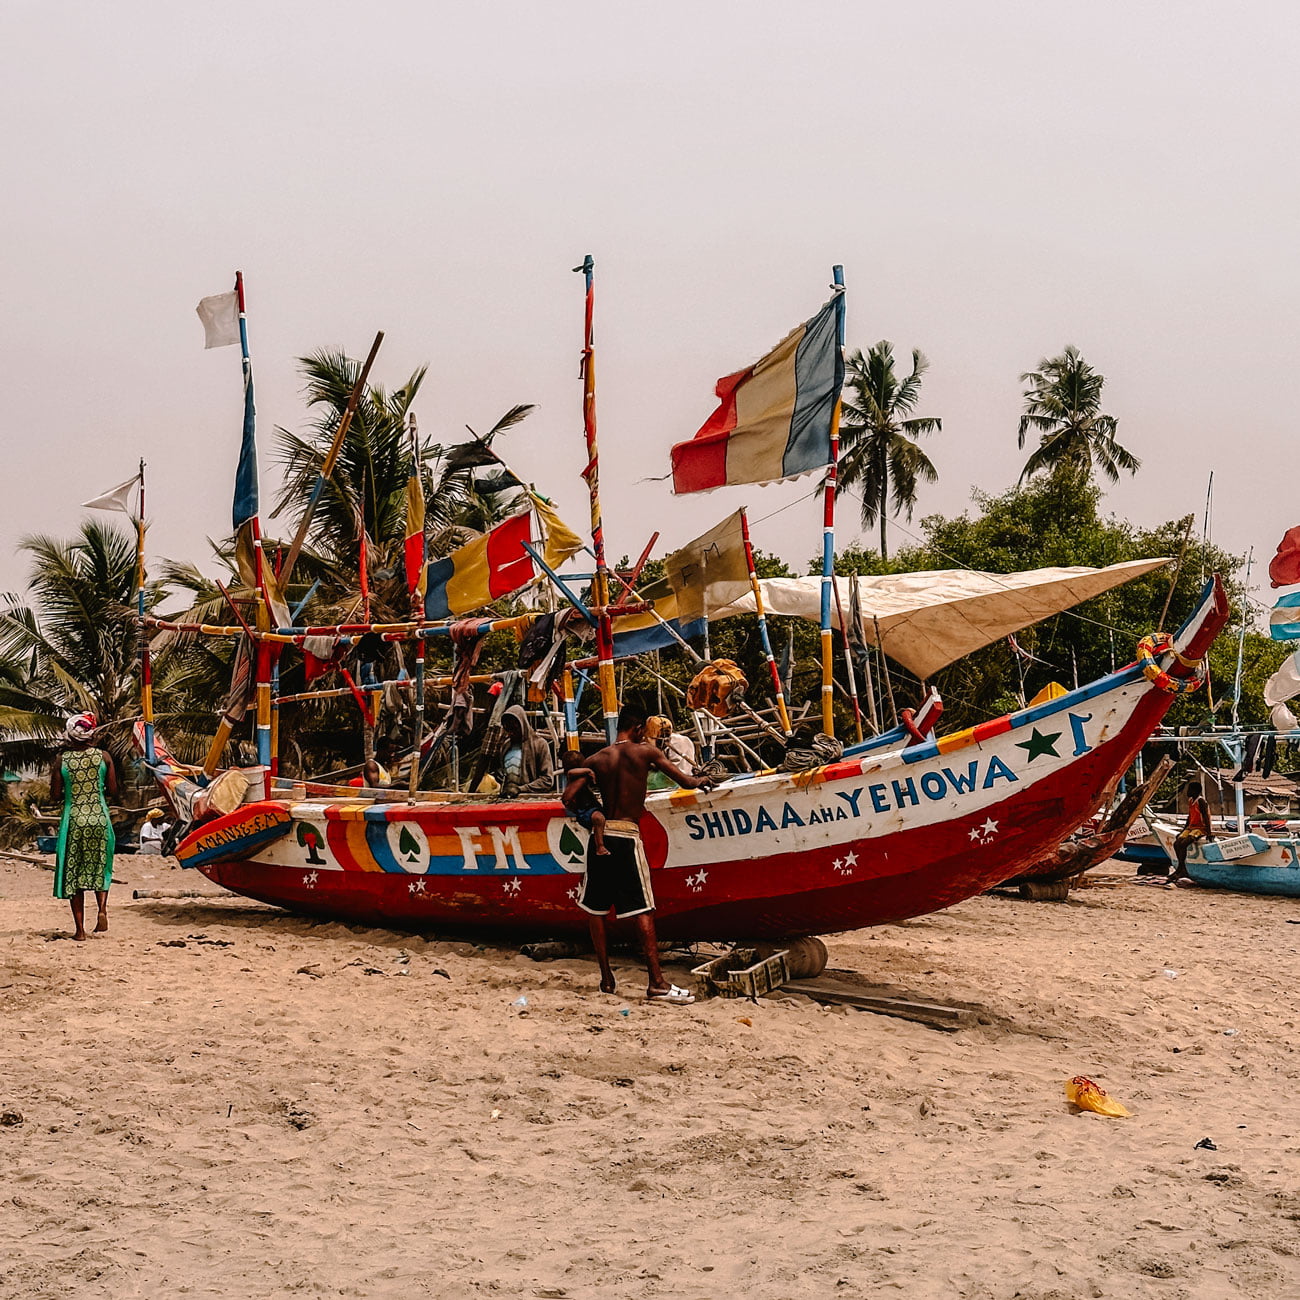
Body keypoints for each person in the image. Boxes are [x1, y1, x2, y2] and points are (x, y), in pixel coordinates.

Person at [575, 702, 716, 1003]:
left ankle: (606, 979)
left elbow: (571, 794)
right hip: (626, 835)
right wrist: (705, 780)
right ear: (639, 728)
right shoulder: (647, 753)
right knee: (643, 910)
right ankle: (657, 982)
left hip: (600, 835)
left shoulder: (596, 759)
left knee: (597, 910)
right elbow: (687, 781)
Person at [49, 712, 118, 941]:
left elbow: (55, 795)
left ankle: (80, 931)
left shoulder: (62, 760)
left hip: (74, 819)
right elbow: (114, 791)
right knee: (101, 864)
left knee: (74, 873)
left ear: (70, 736)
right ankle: (102, 909)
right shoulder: (104, 757)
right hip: (99, 817)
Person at [499, 704, 554, 798]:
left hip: (531, 800)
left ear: (522, 724)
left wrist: (522, 789)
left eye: (514, 729)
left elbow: (547, 780)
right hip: (507, 799)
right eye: (507, 729)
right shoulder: (506, 746)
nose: (511, 733)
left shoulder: (539, 744)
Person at [561, 751, 608, 855]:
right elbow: (571, 772)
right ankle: (600, 846)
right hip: (585, 810)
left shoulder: (582, 779)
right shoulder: (574, 778)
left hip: (590, 807)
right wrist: (588, 770)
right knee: (598, 818)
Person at [1170, 780, 1215, 885]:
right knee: (1177, 843)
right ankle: (1182, 869)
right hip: (1191, 827)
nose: (1187, 792)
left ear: (1196, 791)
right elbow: (1190, 817)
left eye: (1190, 789)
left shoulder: (1201, 801)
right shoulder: (1191, 801)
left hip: (1200, 828)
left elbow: (1206, 817)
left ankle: (1181, 869)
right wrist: (1183, 830)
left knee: (1184, 843)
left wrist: (1209, 832)